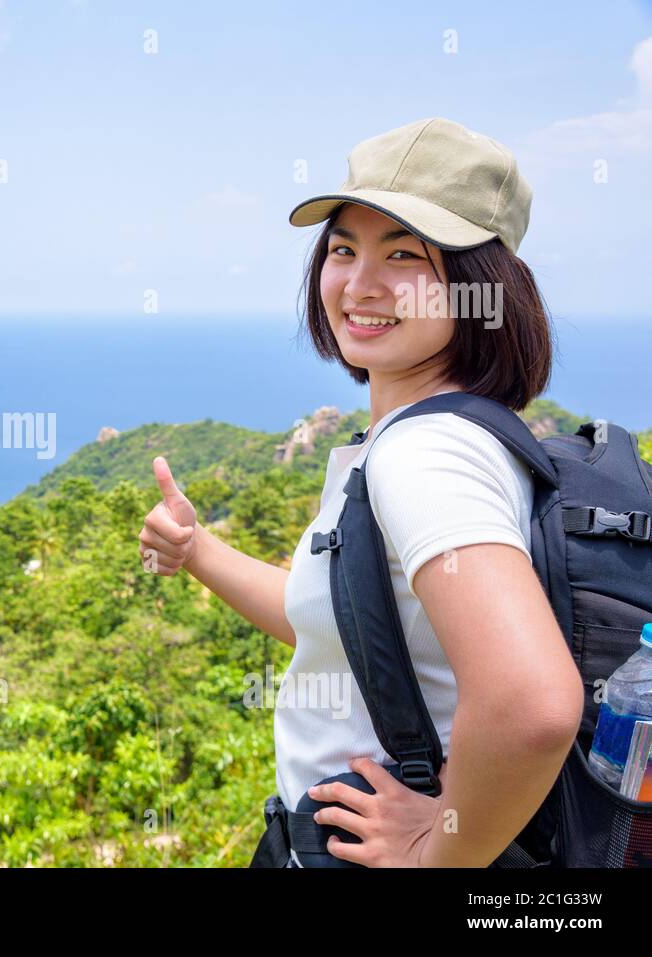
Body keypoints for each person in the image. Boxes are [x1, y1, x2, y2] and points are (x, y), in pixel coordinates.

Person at [137, 117, 585, 867]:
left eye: (404, 253)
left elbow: (534, 702)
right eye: (344, 248)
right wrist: (197, 550)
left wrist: (436, 851)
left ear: (482, 286)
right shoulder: (455, 435)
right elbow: (345, 632)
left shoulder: (425, 454)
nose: (360, 283)